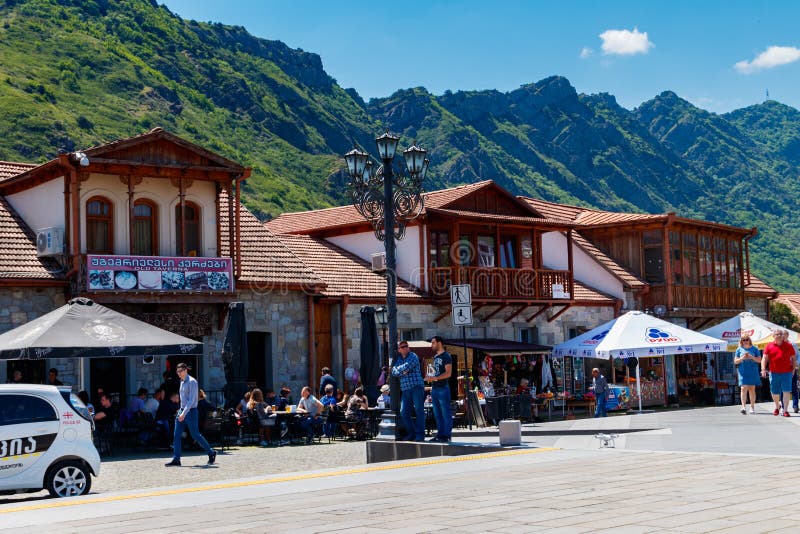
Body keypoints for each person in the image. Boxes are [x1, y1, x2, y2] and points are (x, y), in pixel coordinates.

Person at [165, 363, 216, 466]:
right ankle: (176, 459)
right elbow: (183, 399)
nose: (178, 373)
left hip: (191, 412)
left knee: (195, 435)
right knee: (176, 436)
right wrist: (180, 411)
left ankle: (211, 452)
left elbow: (192, 400)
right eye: (177, 371)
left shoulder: (192, 382)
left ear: (185, 370)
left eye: (180, 371)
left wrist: (183, 413)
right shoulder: (182, 381)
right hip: (182, 410)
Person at [391, 340, 426, 442]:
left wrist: (400, 371)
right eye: (402, 346)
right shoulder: (399, 359)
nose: (405, 347)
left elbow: (406, 366)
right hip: (406, 390)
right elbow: (393, 371)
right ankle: (412, 433)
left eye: (406, 346)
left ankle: (420, 435)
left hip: (416, 387)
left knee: (419, 411)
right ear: (399, 350)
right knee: (404, 412)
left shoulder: (413, 356)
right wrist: (402, 372)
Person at [760, 329, 797, 417]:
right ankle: (777, 406)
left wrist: (793, 370)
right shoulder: (769, 346)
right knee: (774, 392)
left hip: (786, 372)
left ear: (783, 336)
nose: (779, 335)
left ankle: (785, 410)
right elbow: (764, 358)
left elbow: (793, 358)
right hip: (774, 372)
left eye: (780, 334)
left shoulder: (788, 345)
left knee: (786, 391)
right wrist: (763, 369)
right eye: (777, 334)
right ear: (773, 336)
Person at [426, 336, 452, 443]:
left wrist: (435, 377)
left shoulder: (446, 356)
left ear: (439, 343)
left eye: (433, 343)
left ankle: (446, 435)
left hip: (443, 388)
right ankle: (440, 434)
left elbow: (448, 373)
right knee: (437, 414)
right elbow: (436, 372)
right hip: (435, 388)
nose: (431, 345)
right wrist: (429, 376)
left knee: (445, 413)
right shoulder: (436, 357)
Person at [734, 335, 761, 415]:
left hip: (752, 371)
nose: (745, 341)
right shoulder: (739, 349)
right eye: (743, 340)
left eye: (747, 339)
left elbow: (759, 360)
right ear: (741, 341)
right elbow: (735, 361)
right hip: (743, 371)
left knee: (752, 389)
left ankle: (752, 407)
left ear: (749, 340)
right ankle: (743, 407)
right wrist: (742, 358)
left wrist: (751, 357)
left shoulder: (755, 349)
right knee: (743, 388)